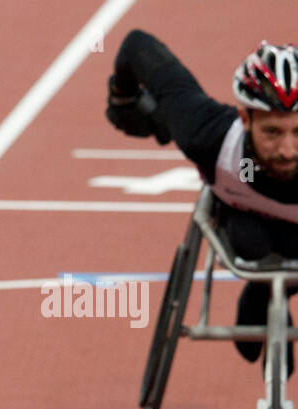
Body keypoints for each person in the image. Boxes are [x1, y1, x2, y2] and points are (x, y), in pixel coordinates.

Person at [107, 34, 298, 373]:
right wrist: (122, 100)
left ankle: (267, 294)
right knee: (250, 241)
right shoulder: (207, 133)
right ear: (245, 117)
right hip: (242, 223)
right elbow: (138, 46)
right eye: (272, 133)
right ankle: (265, 289)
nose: (287, 150)